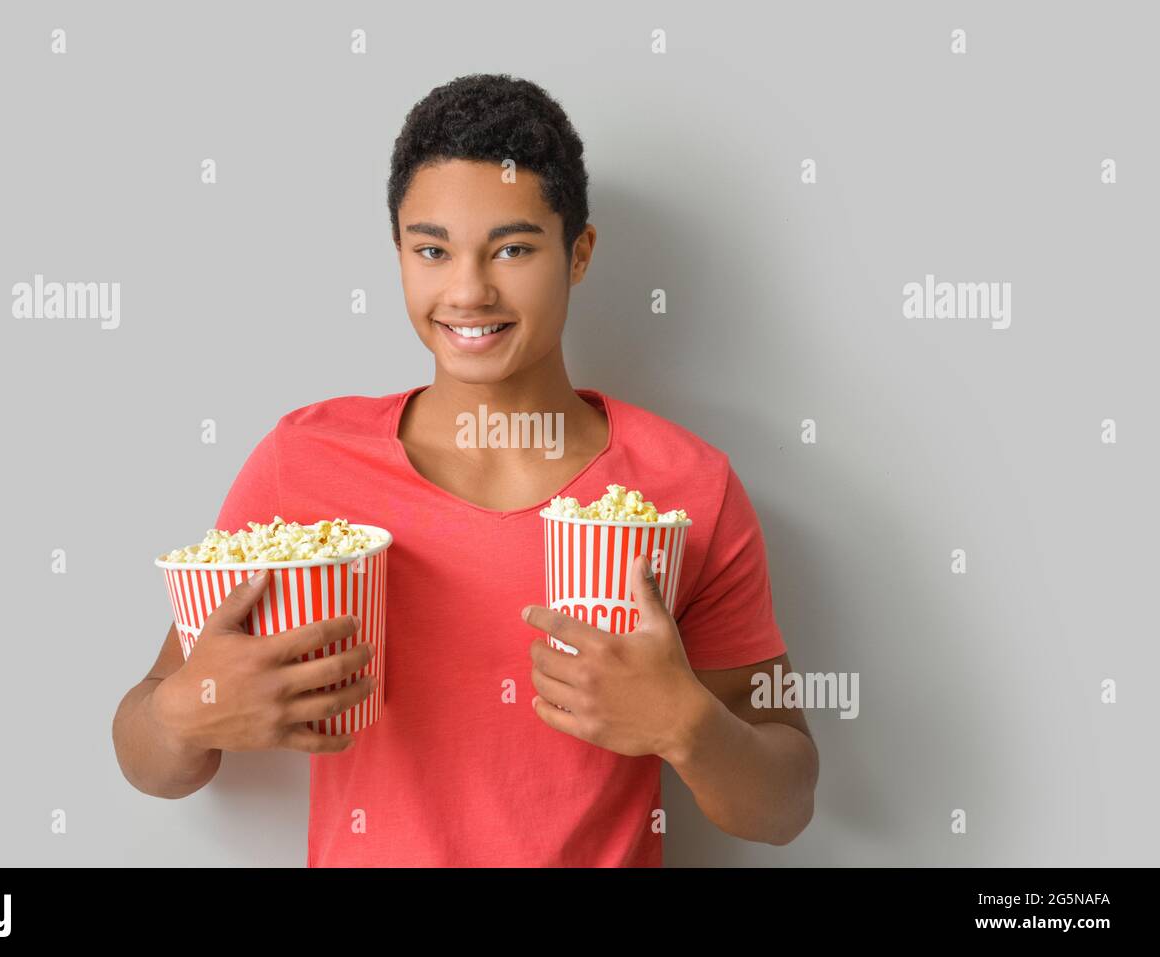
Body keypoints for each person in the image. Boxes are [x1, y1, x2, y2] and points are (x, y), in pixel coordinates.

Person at [112, 73, 818, 866]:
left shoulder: (687, 487)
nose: (468, 290)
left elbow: (786, 801)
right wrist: (190, 713)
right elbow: (146, 752)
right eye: (432, 249)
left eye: (512, 248)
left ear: (579, 252)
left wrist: (684, 724)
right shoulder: (302, 464)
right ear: (400, 255)